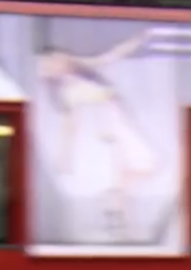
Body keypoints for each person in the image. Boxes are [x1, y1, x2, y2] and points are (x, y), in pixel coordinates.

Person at [38, 31, 159, 241]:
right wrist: (64, 156)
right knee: (130, 170)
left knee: (132, 172)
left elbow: (110, 57)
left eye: (54, 61)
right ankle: (115, 218)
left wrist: (138, 40)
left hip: (117, 124)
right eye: (50, 64)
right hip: (108, 131)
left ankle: (115, 215)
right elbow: (71, 126)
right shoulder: (68, 91)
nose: (54, 65)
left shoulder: (80, 73)